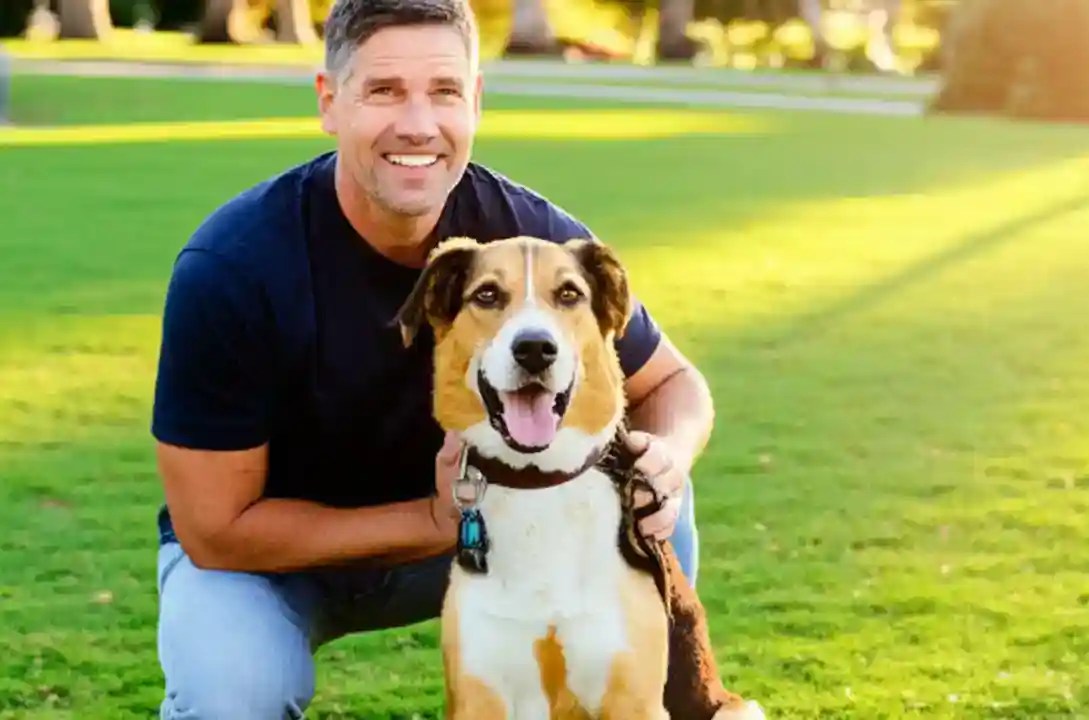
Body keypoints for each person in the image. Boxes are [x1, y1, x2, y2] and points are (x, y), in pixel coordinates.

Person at [149, 0, 716, 715]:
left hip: (474, 537)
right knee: (232, 691)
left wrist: (670, 453)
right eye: (385, 90)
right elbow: (215, 529)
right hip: (269, 561)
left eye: (444, 91)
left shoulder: (532, 241)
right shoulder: (231, 267)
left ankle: (657, 695)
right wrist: (430, 518)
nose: (418, 125)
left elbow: (673, 383)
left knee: (647, 491)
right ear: (330, 101)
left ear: (475, 100)